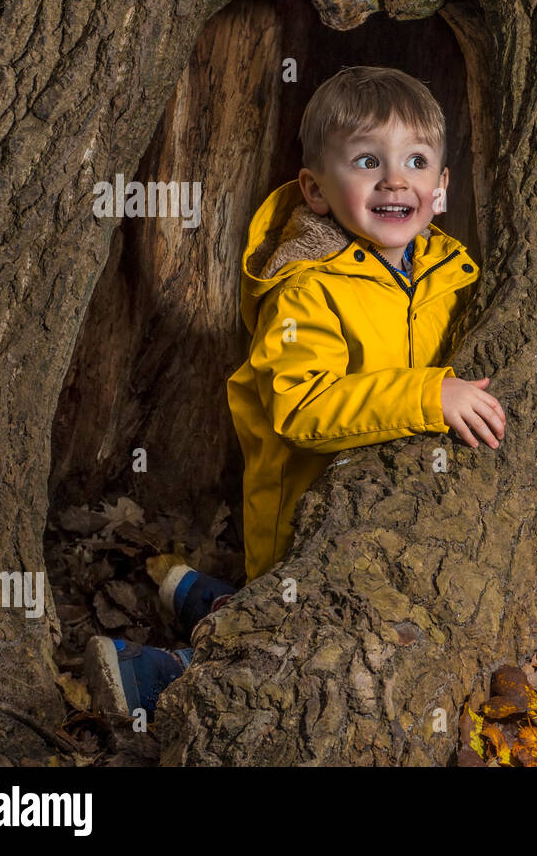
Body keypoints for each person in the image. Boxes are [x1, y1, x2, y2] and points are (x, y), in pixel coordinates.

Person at [85, 66, 506, 718]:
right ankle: (162, 676)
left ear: (441, 188)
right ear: (314, 189)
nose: (396, 179)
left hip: (381, 509)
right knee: (303, 636)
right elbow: (303, 409)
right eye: (368, 161)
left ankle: (208, 599)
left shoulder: (447, 271)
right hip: (304, 512)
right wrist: (429, 396)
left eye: (416, 162)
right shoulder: (306, 288)